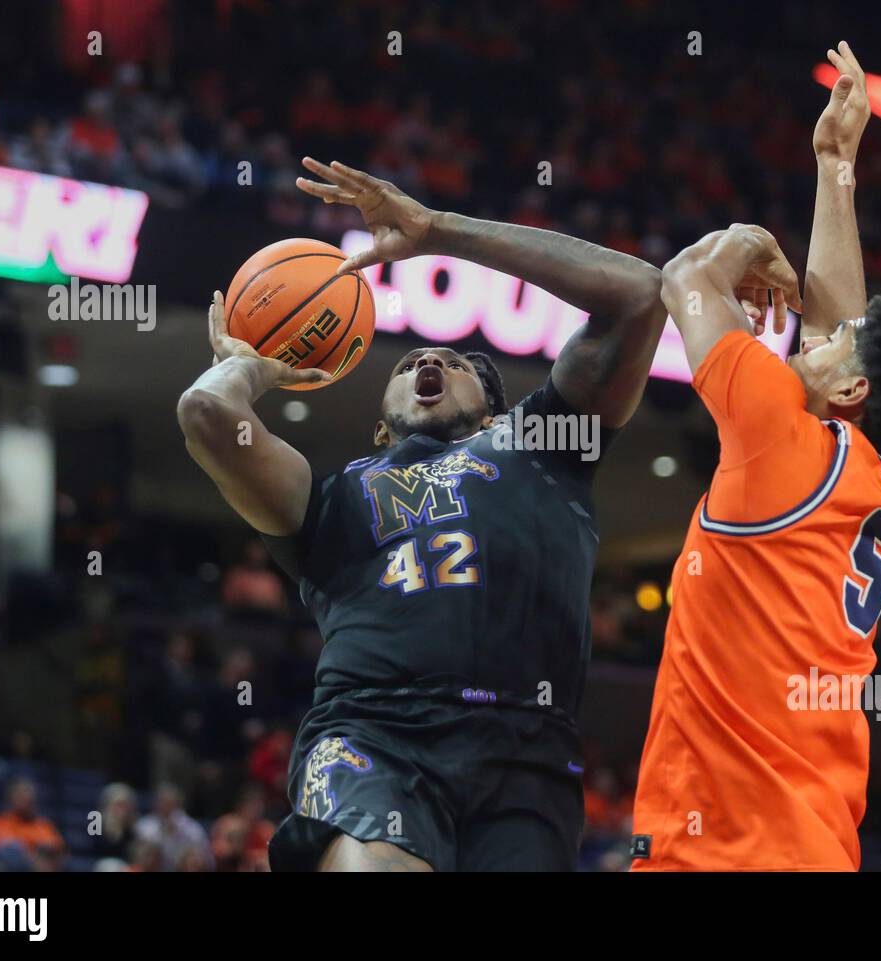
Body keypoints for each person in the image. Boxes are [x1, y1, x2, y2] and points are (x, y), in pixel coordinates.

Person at [177, 158, 667, 870]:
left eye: (451, 362)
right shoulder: (334, 496)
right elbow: (206, 413)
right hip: (373, 732)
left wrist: (437, 230)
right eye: (407, 367)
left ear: (498, 412)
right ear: (382, 427)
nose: (425, 362)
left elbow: (639, 296)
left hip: (528, 753)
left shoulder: (543, 446)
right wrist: (256, 363)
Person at [630, 43, 881, 871]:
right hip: (818, 847)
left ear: (854, 392)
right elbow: (835, 337)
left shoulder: (781, 439)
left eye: (844, 347)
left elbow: (686, 275)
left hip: (718, 850)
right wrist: (835, 165)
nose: (819, 337)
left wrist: (748, 239)